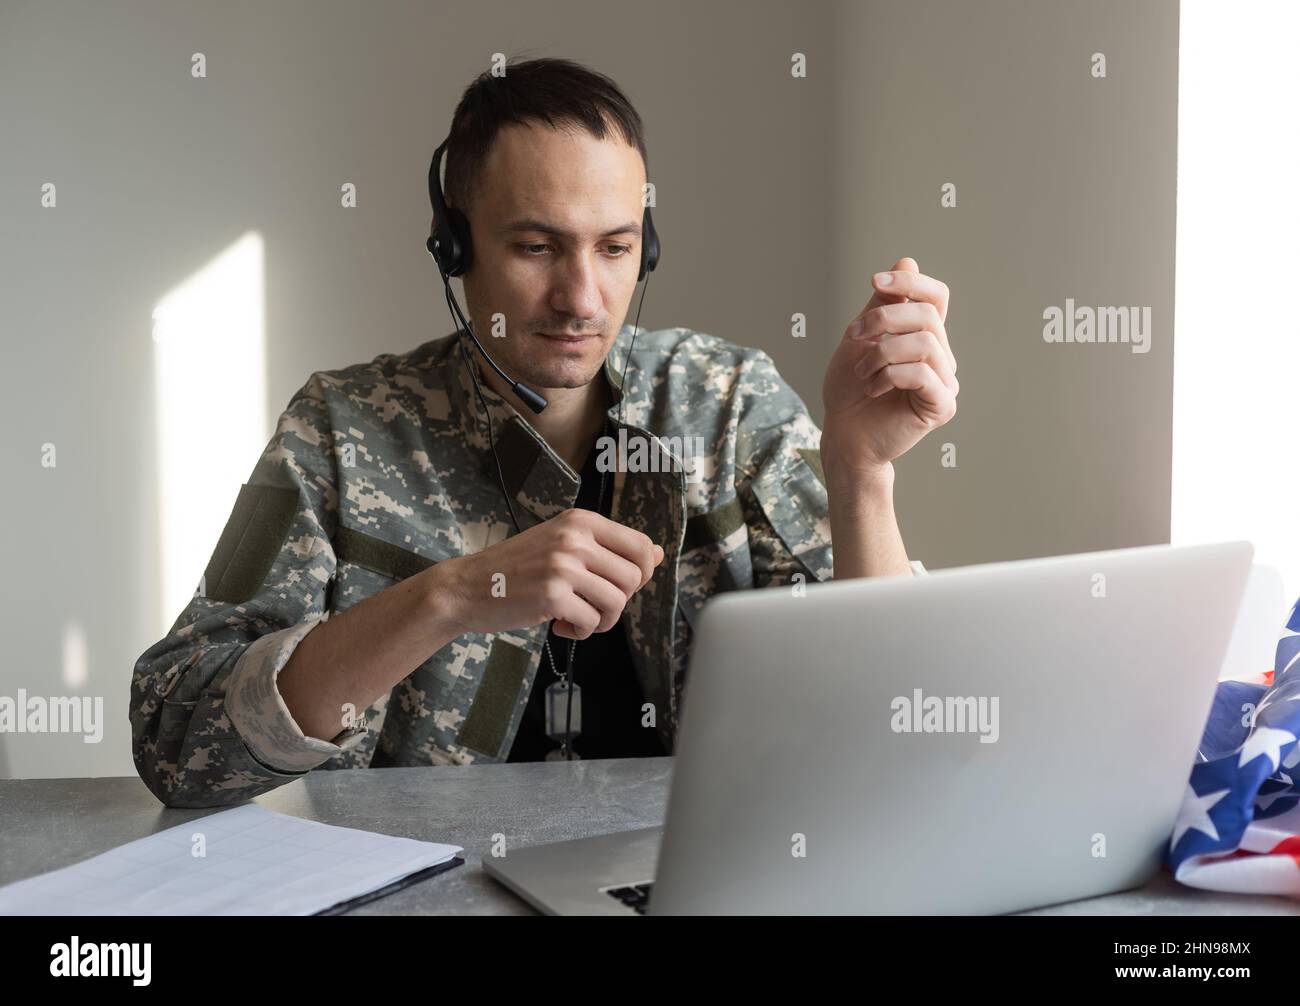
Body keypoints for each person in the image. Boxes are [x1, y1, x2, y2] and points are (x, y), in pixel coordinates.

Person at [129, 57, 958, 808]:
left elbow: (894, 732)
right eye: (536, 246)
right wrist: (450, 596)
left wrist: (862, 473)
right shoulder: (343, 431)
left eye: (616, 248)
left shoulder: (729, 402)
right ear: (454, 247)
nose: (583, 297)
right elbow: (178, 745)